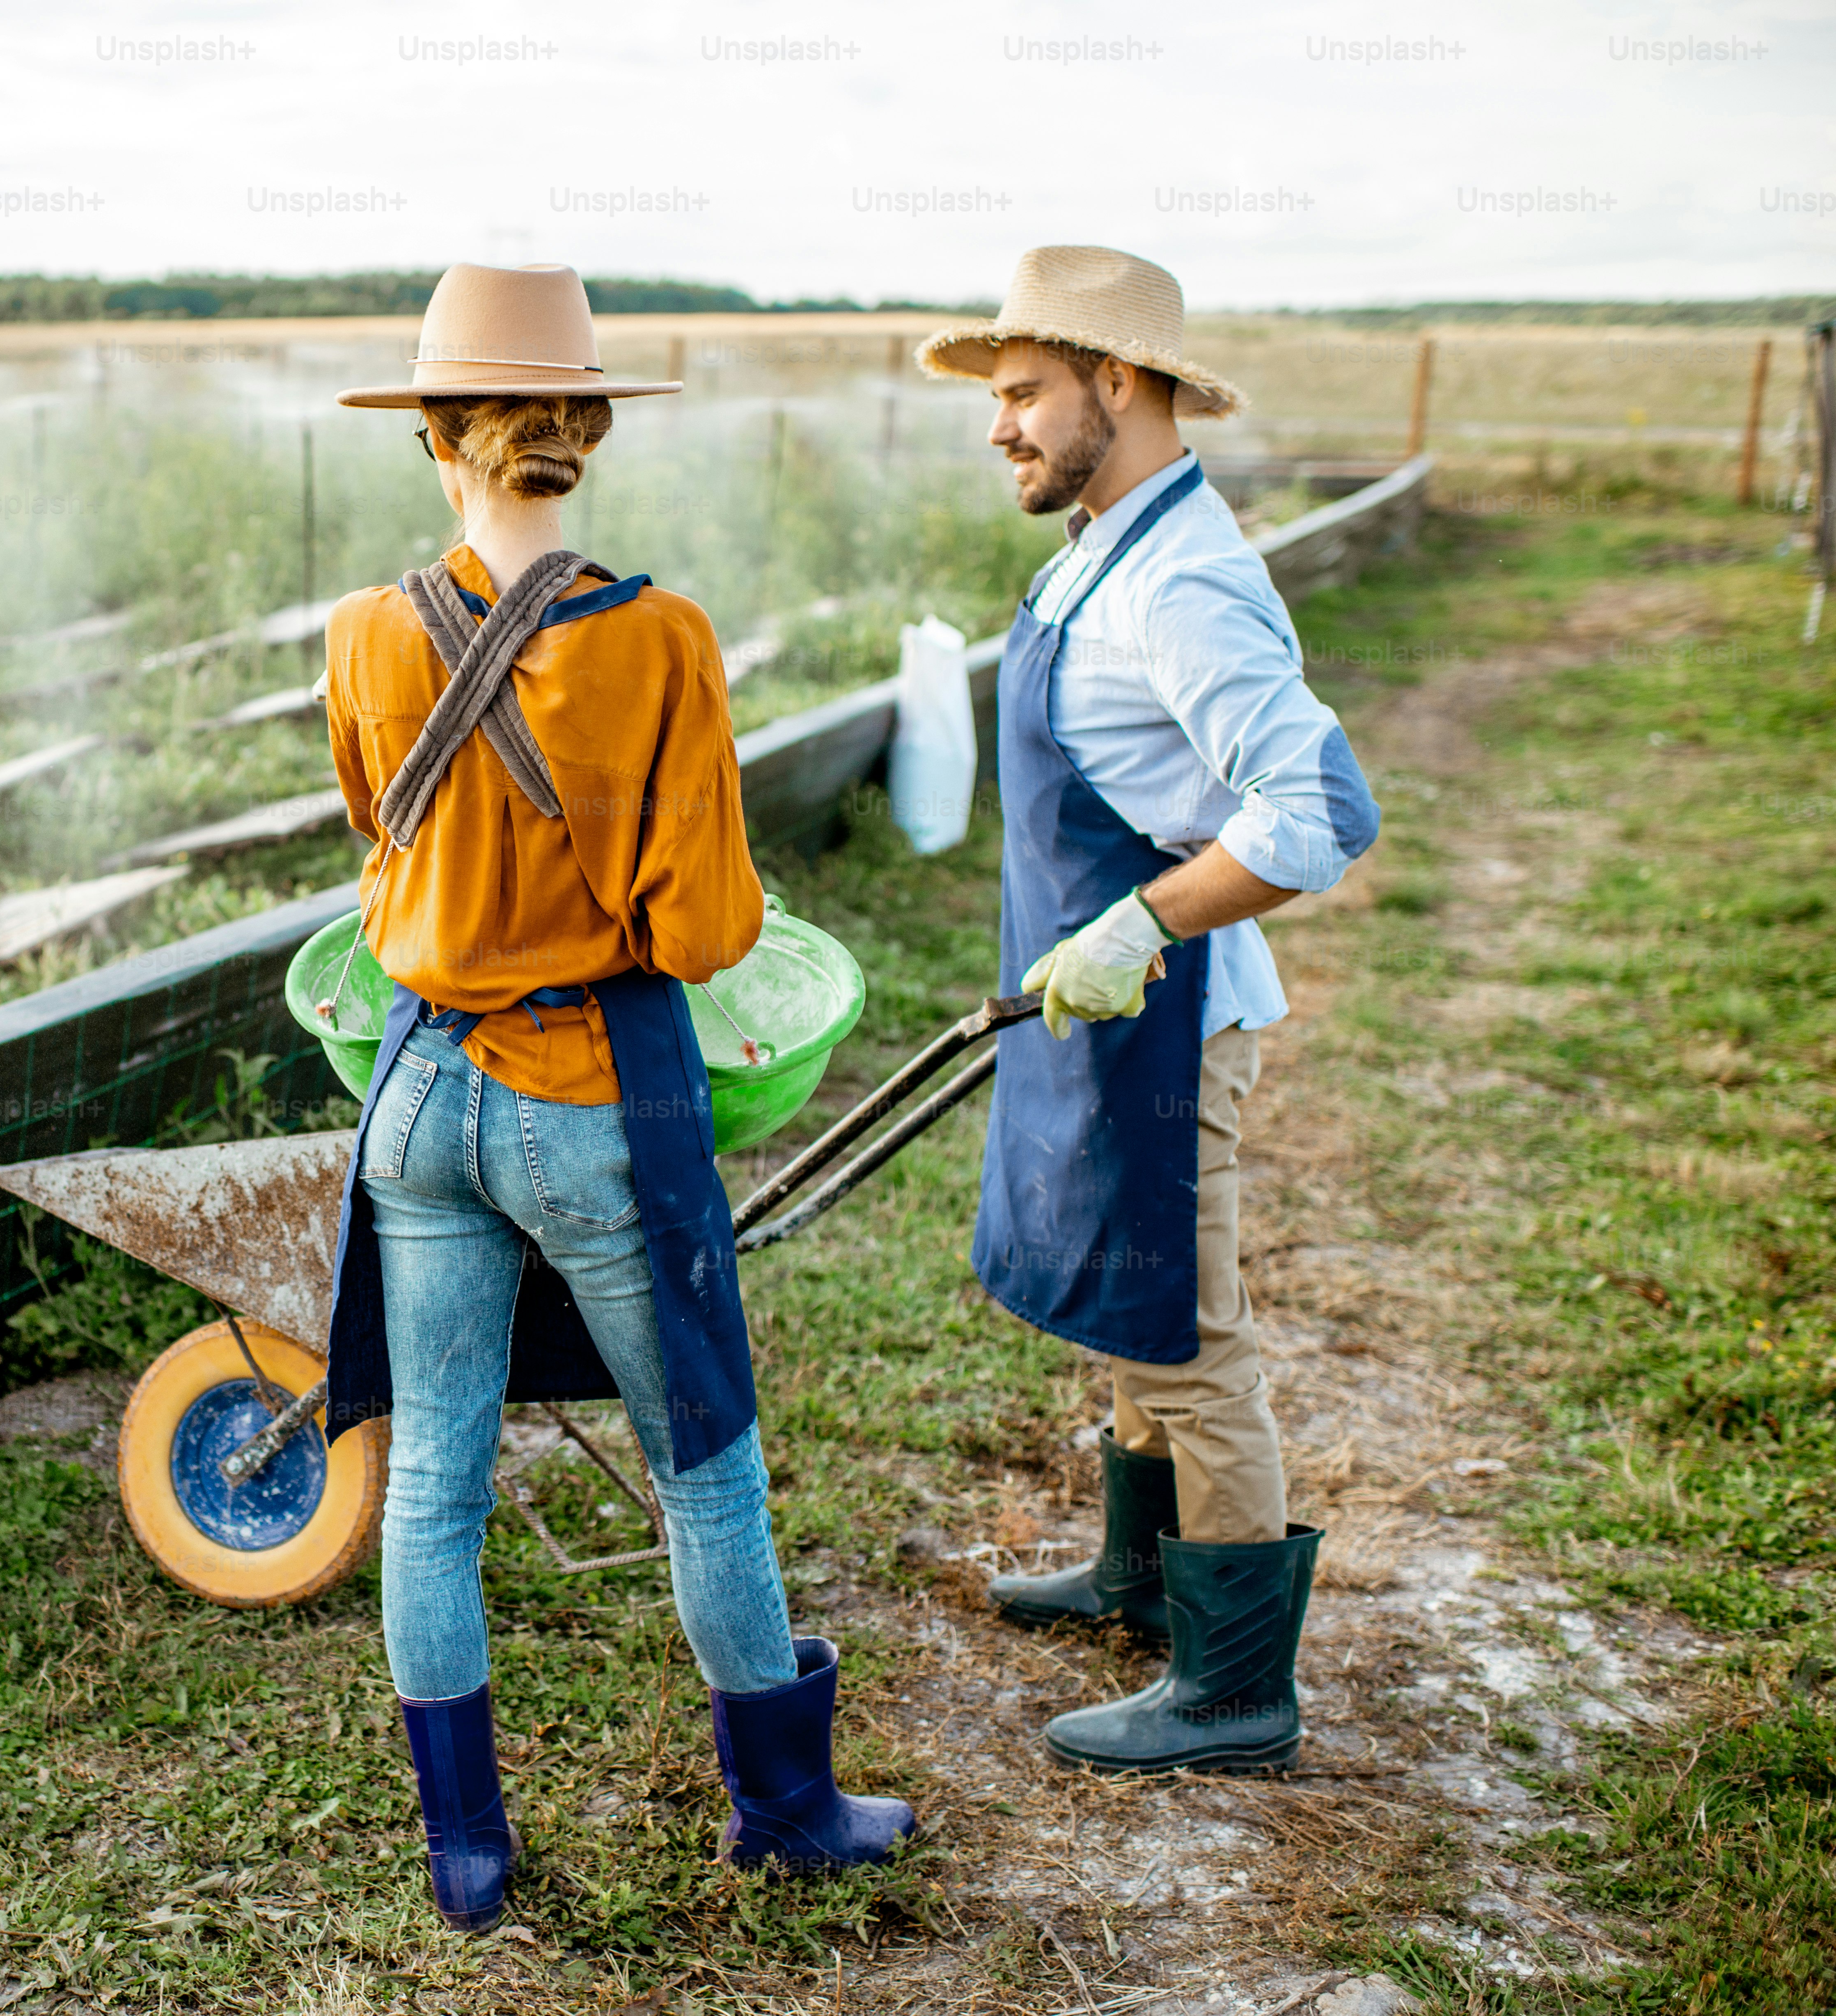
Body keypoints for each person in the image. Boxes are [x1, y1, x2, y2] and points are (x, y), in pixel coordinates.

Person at [316, 262, 915, 1934]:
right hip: (591, 1097)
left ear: (434, 434)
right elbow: (701, 926)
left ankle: (467, 1853)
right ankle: (786, 1811)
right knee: (703, 1467)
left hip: (420, 1094)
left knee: (434, 1484)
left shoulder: (365, 635)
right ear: (578, 430)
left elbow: (378, 839)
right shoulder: (655, 640)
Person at [917, 247, 1381, 1772]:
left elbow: (1320, 807)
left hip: (1171, 1017)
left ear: (1118, 383)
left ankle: (1237, 1687)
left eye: (1024, 394)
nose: (1002, 427)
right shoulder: (1107, 540)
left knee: (1190, 1337)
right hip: (1101, 1006)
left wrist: (1140, 922)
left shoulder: (1184, 580)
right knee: (1126, 1305)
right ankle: (1136, 1575)